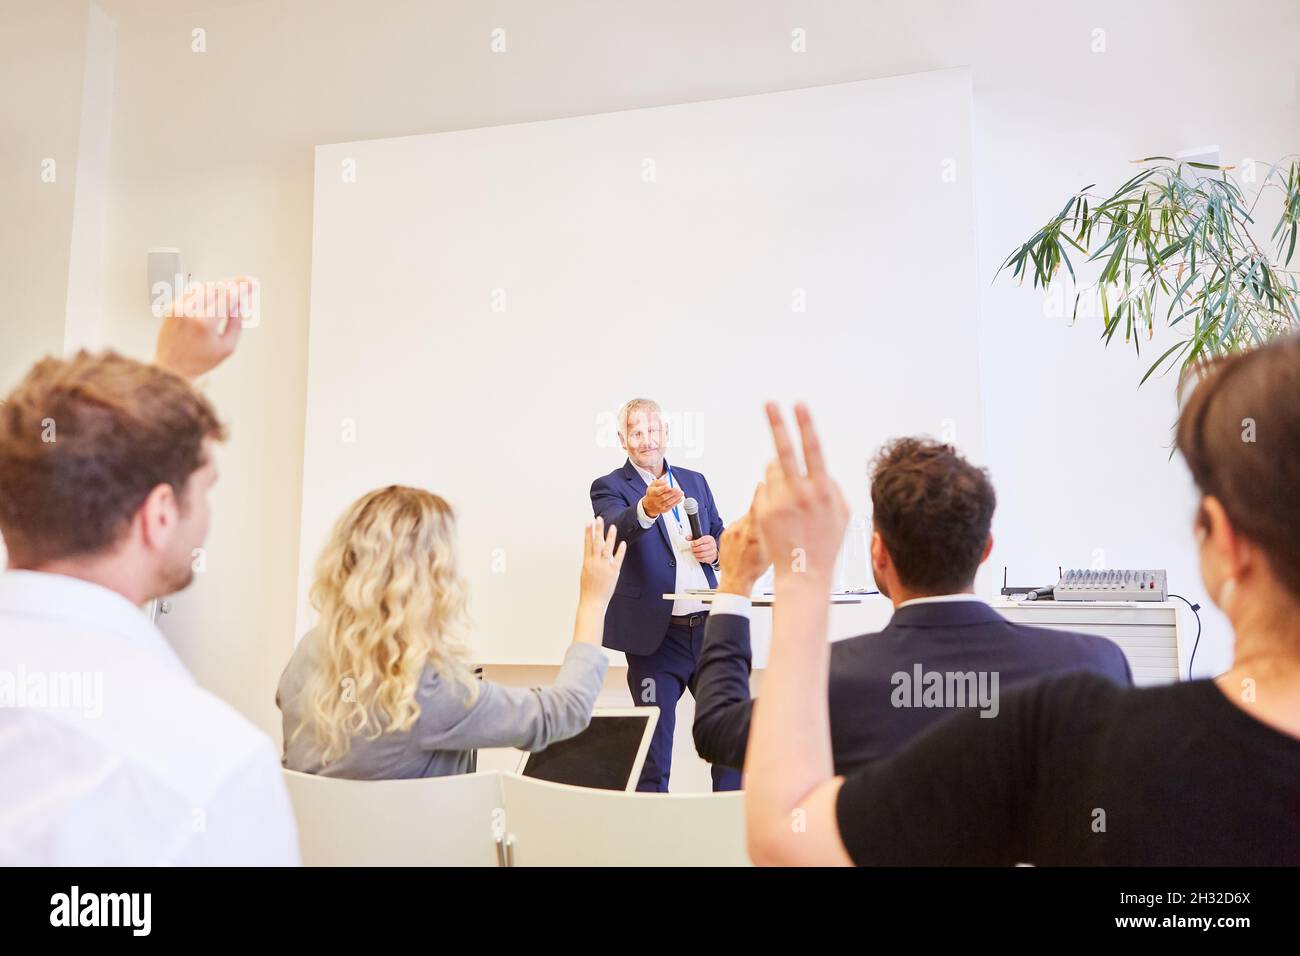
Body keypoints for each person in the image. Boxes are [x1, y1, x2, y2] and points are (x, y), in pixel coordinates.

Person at [745, 337, 1300, 866]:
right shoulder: (1094, 664)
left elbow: (786, 833)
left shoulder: (1073, 727)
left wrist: (802, 575)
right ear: (985, 548)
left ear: (1224, 541)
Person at [0, 279, 300, 865]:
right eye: (206, 491)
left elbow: (81, 460)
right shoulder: (216, 768)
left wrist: (172, 375)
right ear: (159, 515)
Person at [693, 438, 1130, 773]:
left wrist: (735, 581)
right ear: (985, 549)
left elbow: (717, 728)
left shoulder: (830, 680)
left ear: (878, 552)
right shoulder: (1096, 665)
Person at [277, 489, 625, 779]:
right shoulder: (420, 689)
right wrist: (593, 601)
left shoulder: (306, 657)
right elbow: (565, 711)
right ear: (427, 574)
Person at [589, 398, 740, 792]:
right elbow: (613, 532)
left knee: (730, 743)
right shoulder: (609, 487)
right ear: (622, 439)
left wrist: (717, 549)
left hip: (708, 631)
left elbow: (720, 530)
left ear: (666, 434)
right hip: (656, 640)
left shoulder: (695, 481)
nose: (646, 440)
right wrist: (646, 508)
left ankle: (728, 834)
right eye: (636, 433)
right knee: (654, 754)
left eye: (652, 431)